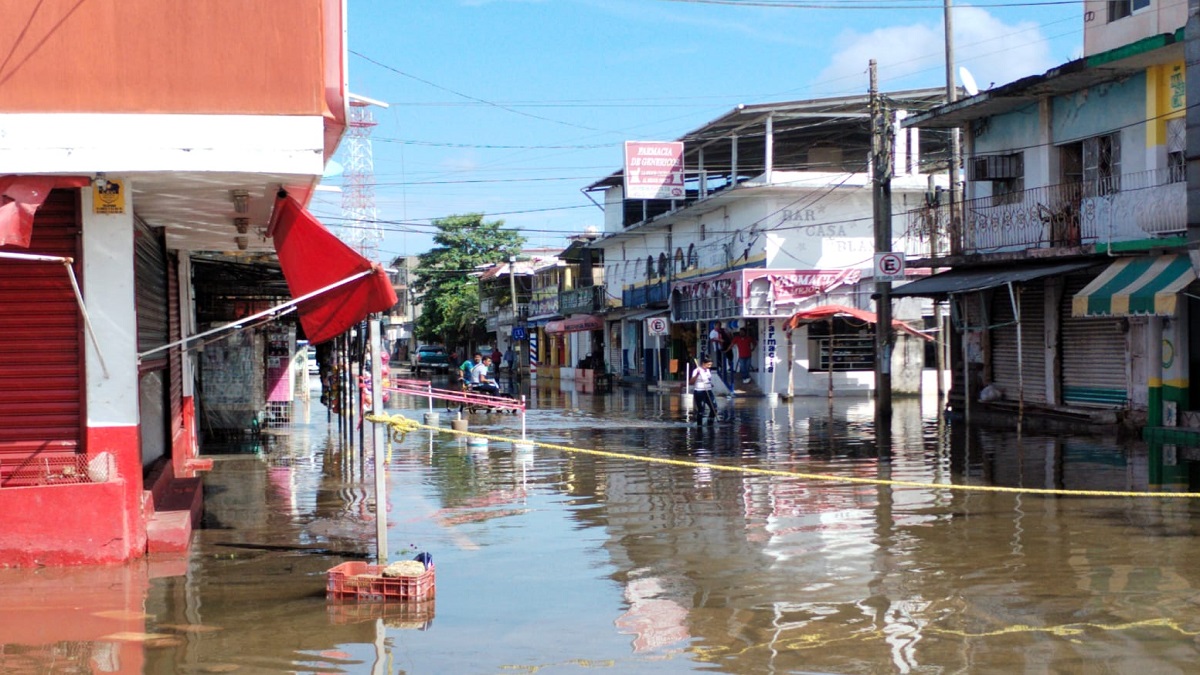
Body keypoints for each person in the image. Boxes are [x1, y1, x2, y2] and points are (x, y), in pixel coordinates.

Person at [690, 356, 719, 424]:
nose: (709, 366)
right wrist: (697, 374)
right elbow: (691, 382)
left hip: (708, 391)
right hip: (699, 392)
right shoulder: (696, 370)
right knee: (701, 410)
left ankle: (710, 423)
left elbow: (707, 379)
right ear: (703, 363)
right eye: (708, 364)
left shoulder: (708, 370)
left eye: (711, 365)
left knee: (714, 408)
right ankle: (699, 426)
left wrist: (710, 384)